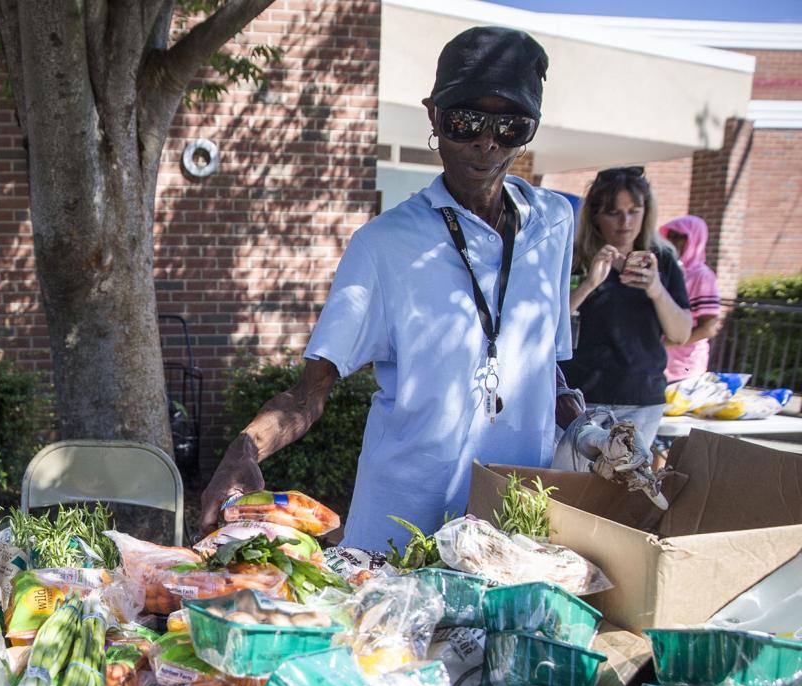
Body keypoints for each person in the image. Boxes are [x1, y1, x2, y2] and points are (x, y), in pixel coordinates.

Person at [199, 26, 579, 552]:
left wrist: (592, 434)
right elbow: (310, 395)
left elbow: (544, 366)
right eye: (465, 121)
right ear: (433, 116)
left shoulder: (554, 223)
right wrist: (243, 450)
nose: (486, 142)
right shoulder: (383, 246)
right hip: (406, 534)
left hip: (517, 526)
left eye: (511, 127)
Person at [560, 167, 692, 452]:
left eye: (634, 210)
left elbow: (681, 333)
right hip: (582, 396)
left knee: (623, 489)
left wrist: (656, 289)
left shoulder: (663, 260)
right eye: (613, 212)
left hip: (640, 398)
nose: (625, 222)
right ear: (595, 214)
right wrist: (589, 284)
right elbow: (549, 328)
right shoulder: (574, 259)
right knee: (574, 488)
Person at [659, 215, 722, 382]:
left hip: (684, 368)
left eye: (680, 237)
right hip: (660, 363)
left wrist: (664, 345)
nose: (673, 242)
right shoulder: (670, 272)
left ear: (695, 239)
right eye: (670, 236)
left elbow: (708, 328)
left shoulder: (702, 276)